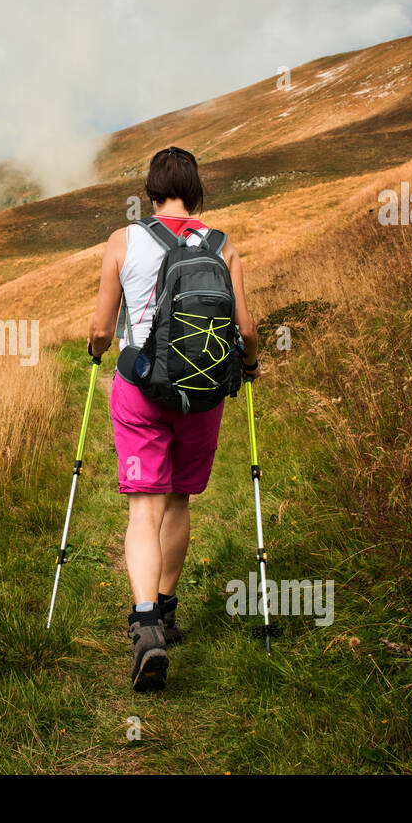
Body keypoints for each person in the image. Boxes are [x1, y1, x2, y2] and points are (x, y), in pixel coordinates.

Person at [86, 146, 259, 691]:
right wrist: (248, 367)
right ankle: (165, 608)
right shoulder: (221, 245)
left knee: (145, 507)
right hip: (202, 392)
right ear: (196, 189)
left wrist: (97, 351)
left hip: (140, 389)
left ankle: (144, 628)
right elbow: (247, 331)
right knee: (179, 499)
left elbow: (99, 327)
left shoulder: (123, 240)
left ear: (151, 190)